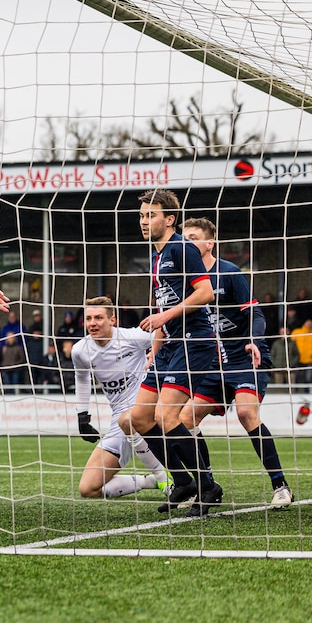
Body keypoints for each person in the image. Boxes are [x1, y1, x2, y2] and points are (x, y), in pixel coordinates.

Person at [179, 219, 292, 507]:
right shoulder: (183, 281)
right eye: (184, 237)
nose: (186, 242)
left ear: (209, 243)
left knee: (245, 413)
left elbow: (255, 313)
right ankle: (207, 485)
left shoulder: (228, 273)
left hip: (244, 356)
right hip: (212, 362)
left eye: (193, 237)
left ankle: (280, 485)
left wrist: (253, 339)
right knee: (184, 419)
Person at [127, 189, 220, 517]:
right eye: (141, 215)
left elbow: (205, 292)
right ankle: (182, 481)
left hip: (195, 341)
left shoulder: (182, 248)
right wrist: (156, 347)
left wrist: (164, 318)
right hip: (170, 345)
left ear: (169, 219)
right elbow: (164, 303)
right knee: (138, 418)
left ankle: (208, 485)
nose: (143, 221)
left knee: (167, 418)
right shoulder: (157, 255)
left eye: (150, 215)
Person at [72, 297, 171, 499]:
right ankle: (148, 481)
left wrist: (155, 353)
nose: (93, 323)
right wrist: (82, 415)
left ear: (113, 320)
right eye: (89, 318)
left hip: (149, 411)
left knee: (131, 419)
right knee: (88, 489)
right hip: (120, 420)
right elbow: (82, 379)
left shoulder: (132, 337)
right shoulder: (80, 350)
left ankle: (165, 479)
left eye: (99, 318)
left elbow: (165, 333)